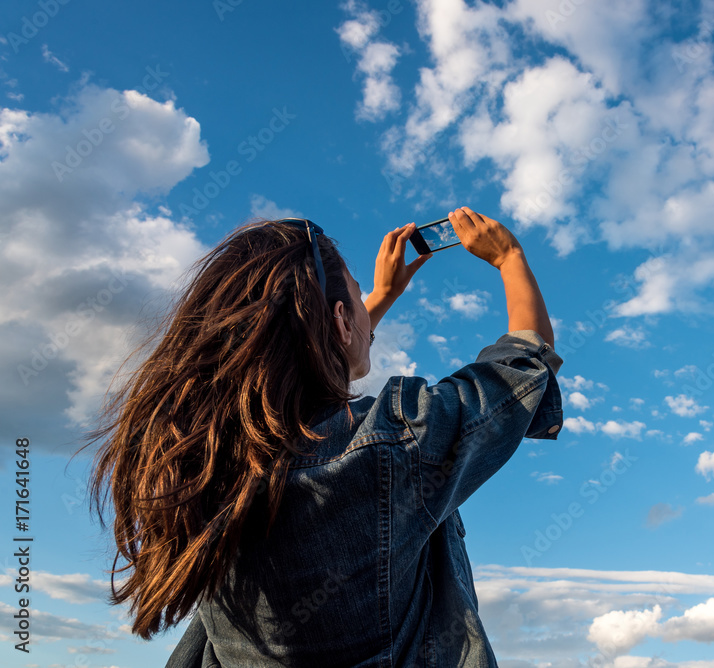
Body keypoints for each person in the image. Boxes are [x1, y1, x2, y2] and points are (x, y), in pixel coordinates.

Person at [81, 206, 564, 666]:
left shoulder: (201, 461)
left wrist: (376, 298)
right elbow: (521, 367)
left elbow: (297, 362)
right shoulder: (397, 441)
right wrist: (509, 258)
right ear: (337, 320)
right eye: (355, 294)